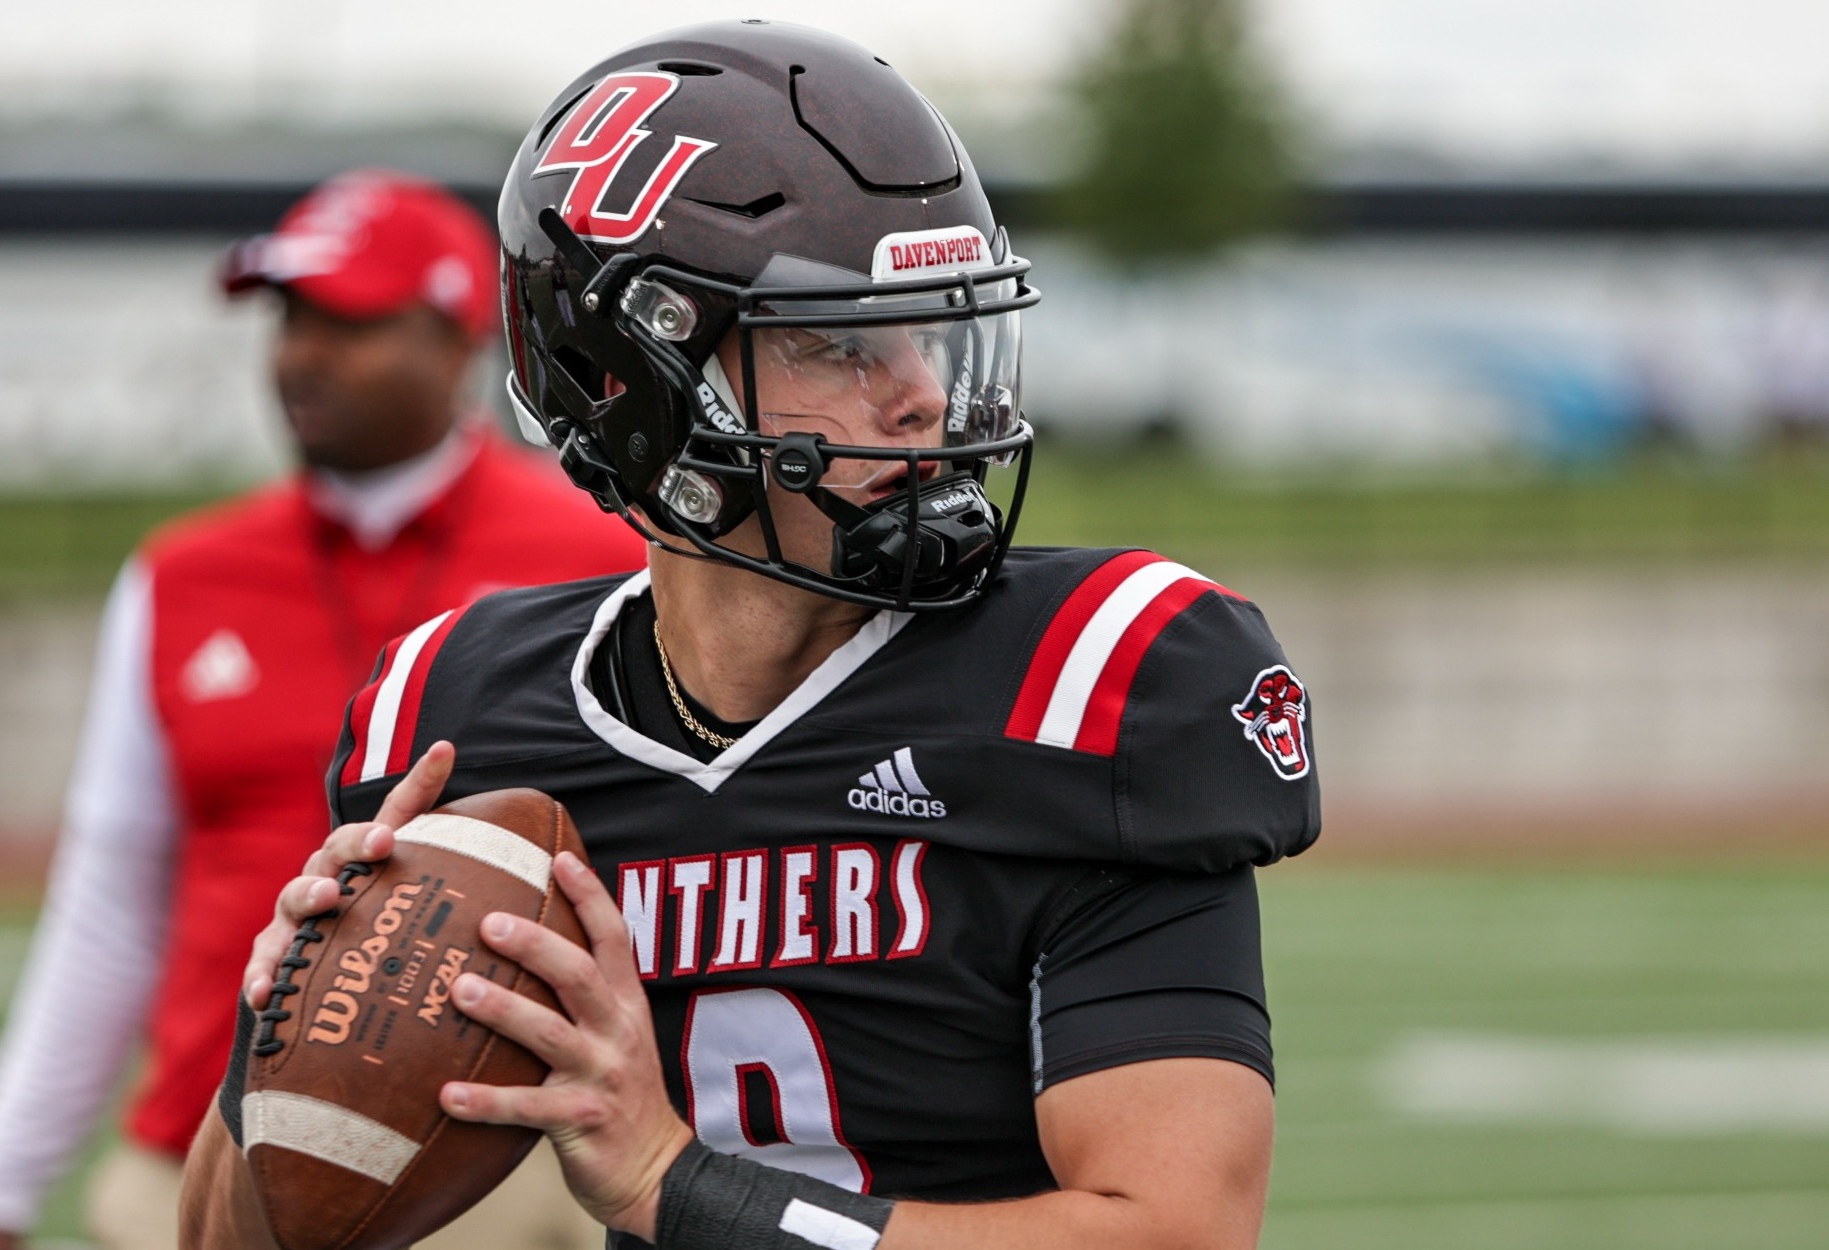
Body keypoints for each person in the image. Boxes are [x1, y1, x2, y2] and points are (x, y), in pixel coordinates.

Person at [186, 22, 1319, 1250]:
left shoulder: (1092, 684)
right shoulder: (459, 717)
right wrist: (286, 1030)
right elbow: (233, 1237)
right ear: (632, 384)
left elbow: (1177, 1232)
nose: (922, 394)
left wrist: (679, 1189)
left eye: (929, 331)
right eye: (838, 342)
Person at [0, 170, 645, 1250]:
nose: (300, 352)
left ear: (458, 337)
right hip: (202, 1150)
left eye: (348, 320)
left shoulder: (603, 558)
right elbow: (111, 894)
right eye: (289, 317)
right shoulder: (182, 576)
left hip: (490, 1161)